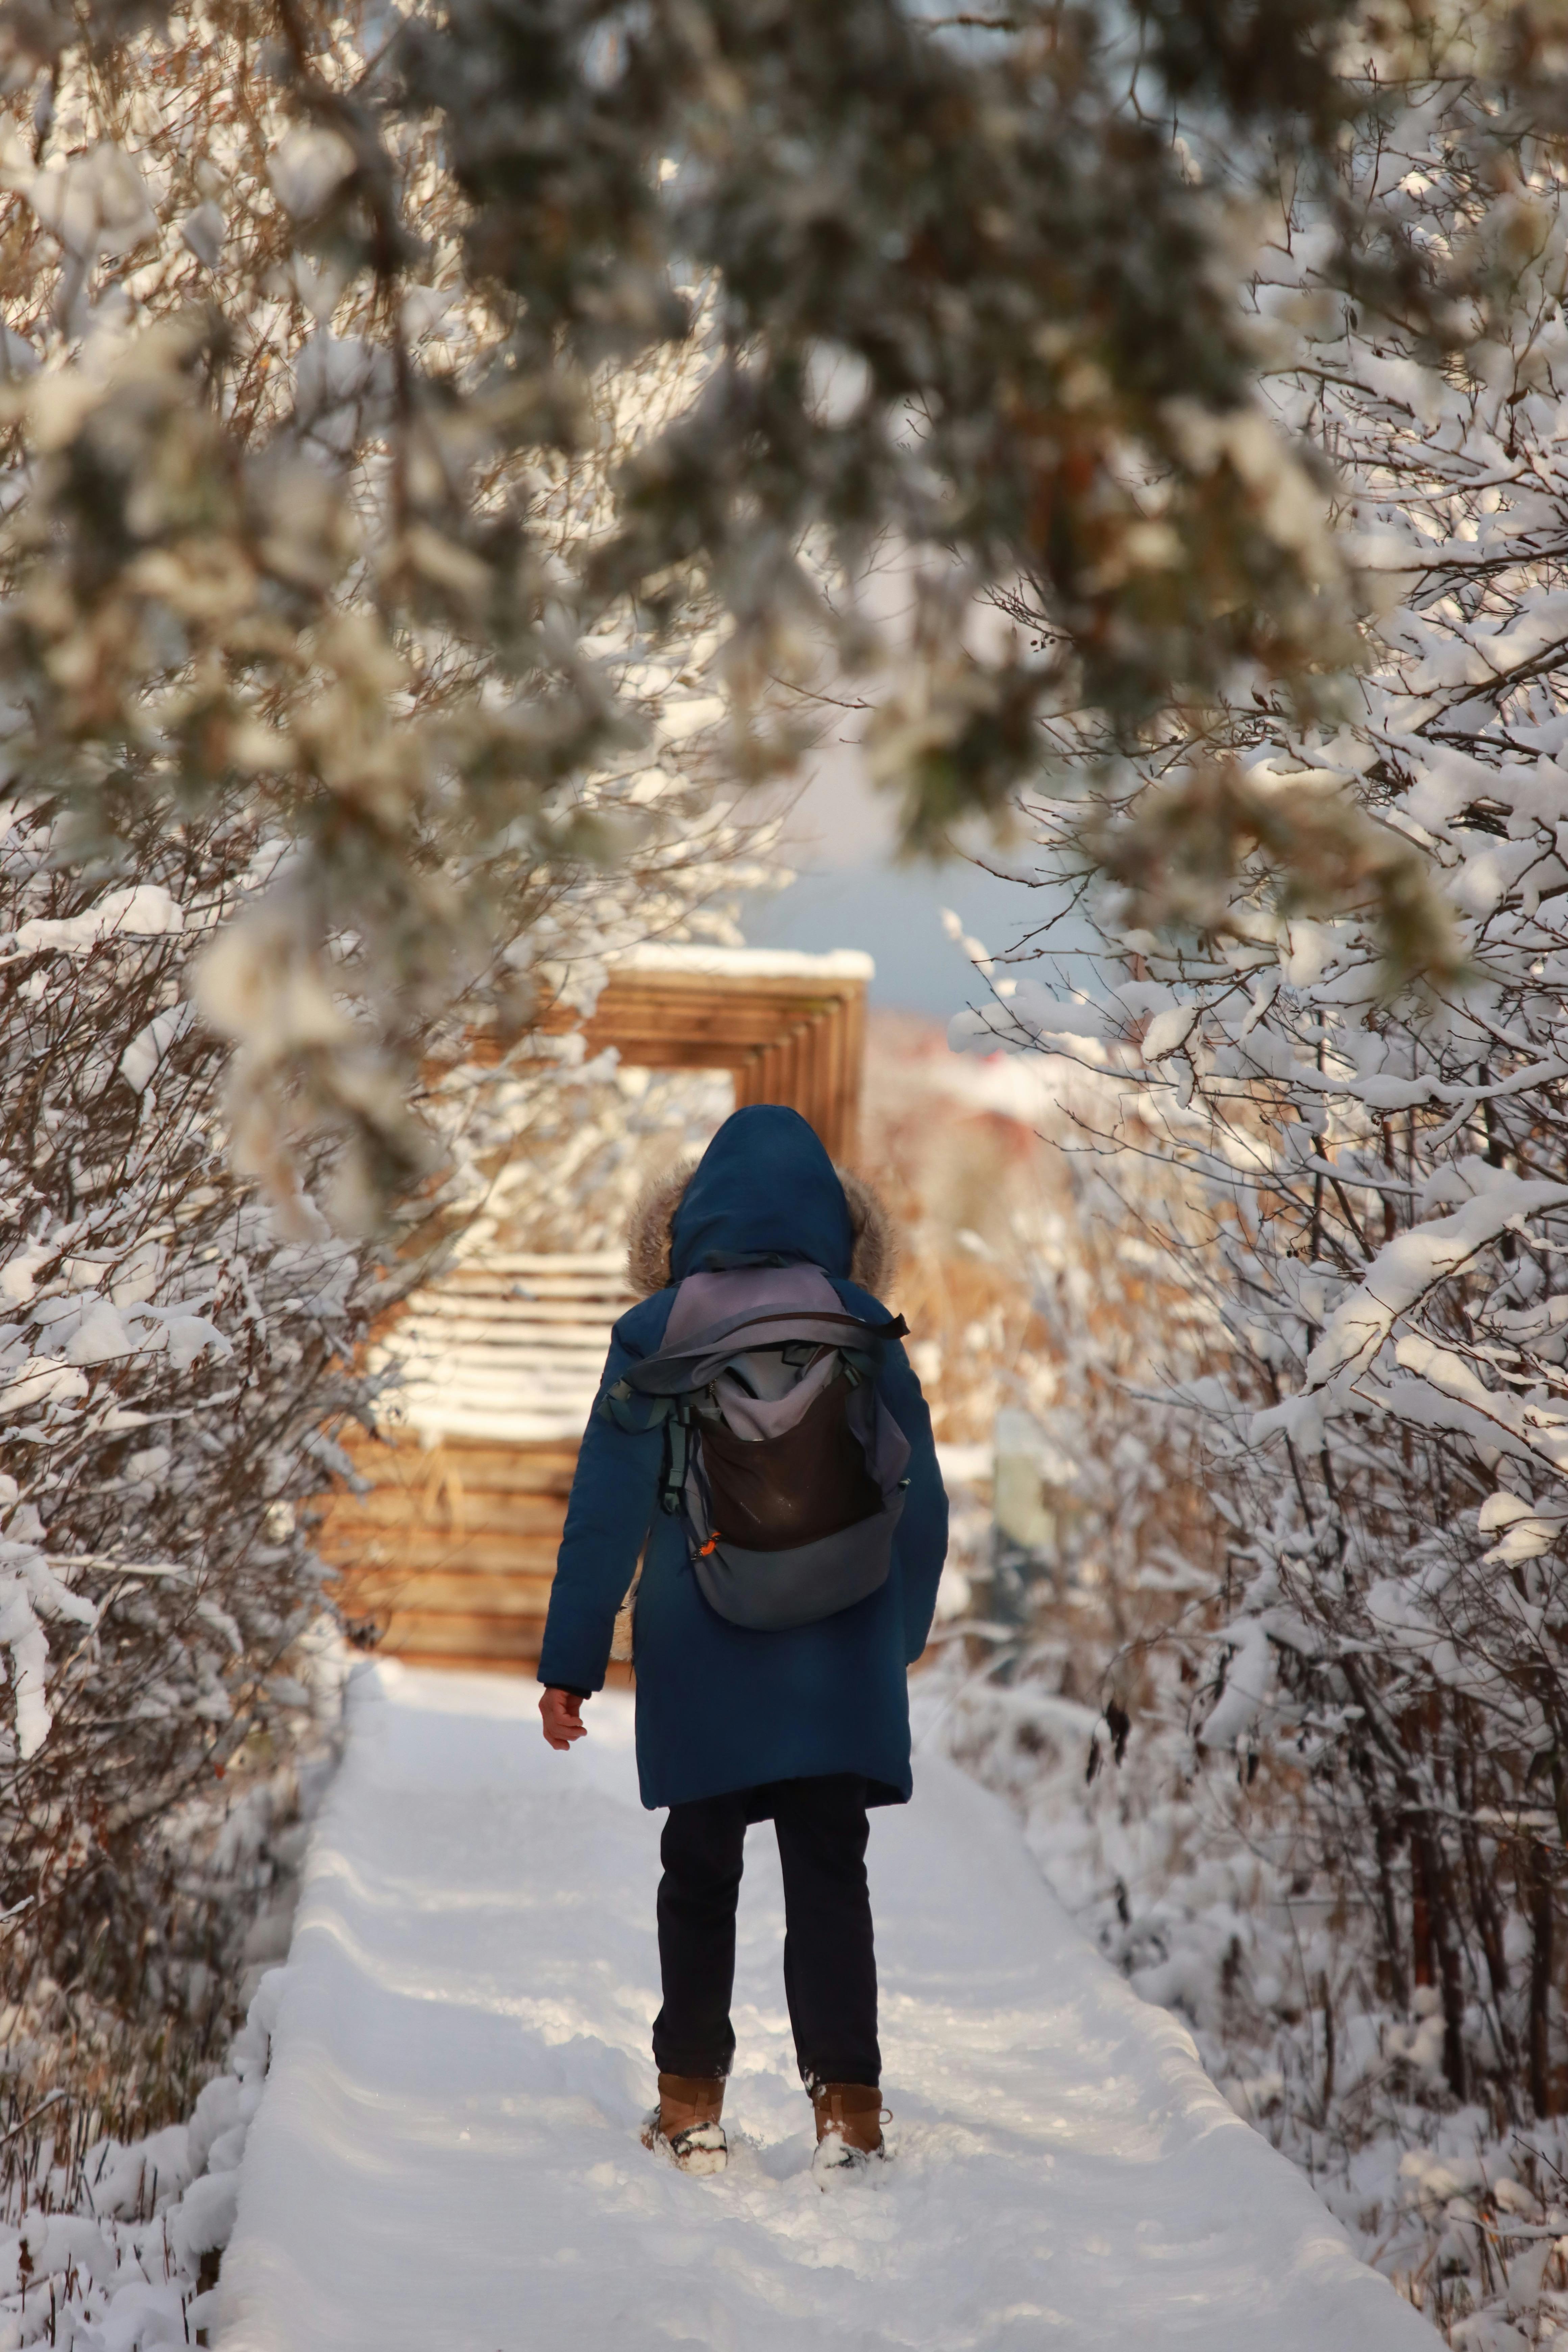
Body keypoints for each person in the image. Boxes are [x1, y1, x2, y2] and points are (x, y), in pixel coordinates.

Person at [536, 1104, 948, 2179]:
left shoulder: (658, 1335)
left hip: (703, 1639)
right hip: (839, 1651)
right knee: (829, 1875)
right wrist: (896, 1640)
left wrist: (570, 1664)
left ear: (688, 1221)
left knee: (699, 1870)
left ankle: (689, 2107)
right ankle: (849, 2115)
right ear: (834, 1220)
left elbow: (605, 1510)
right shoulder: (862, 1326)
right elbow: (925, 1496)